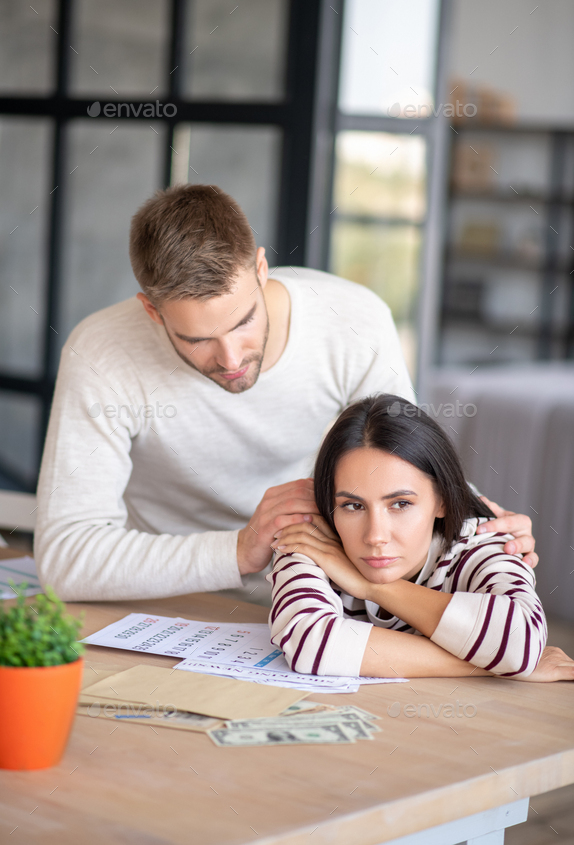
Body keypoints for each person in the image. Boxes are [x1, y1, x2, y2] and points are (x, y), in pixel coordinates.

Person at [35, 185, 538, 601]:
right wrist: (239, 550)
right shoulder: (100, 352)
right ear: (152, 311)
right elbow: (65, 559)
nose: (230, 359)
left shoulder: (353, 320)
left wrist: (480, 519)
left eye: (243, 321)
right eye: (196, 339)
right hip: (157, 596)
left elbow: (402, 469)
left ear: (260, 270)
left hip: (324, 589)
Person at [269, 394, 574, 681]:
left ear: (442, 499)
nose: (375, 536)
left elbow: (520, 642)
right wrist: (490, 666)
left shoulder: (484, 541)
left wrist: (375, 588)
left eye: (400, 504)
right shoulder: (312, 538)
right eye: (353, 505)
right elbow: (309, 643)